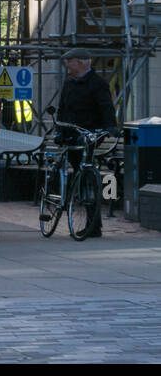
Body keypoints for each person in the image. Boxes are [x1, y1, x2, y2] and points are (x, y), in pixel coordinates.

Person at [55, 47, 116, 237]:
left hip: (89, 135)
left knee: (87, 174)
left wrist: (110, 127)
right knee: (79, 172)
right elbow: (62, 109)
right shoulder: (69, 83)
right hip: (71, 135)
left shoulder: (97, 84)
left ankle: (93, 224)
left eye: (70, 61)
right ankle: (79, 201)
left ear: (80, 62)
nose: (67, 64)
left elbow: (106, 107)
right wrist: (60, 131)